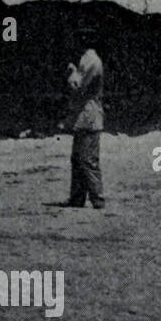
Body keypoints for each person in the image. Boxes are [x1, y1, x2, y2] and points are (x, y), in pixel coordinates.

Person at [65, 27, 106, 209]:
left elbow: (78, 86)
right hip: (84, 115)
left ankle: (97, 198)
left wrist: (72, 72)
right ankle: (77, 198)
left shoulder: (91, 60)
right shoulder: (87, 59)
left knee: (88, 159)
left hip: (89, 115)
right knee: (77, 158)